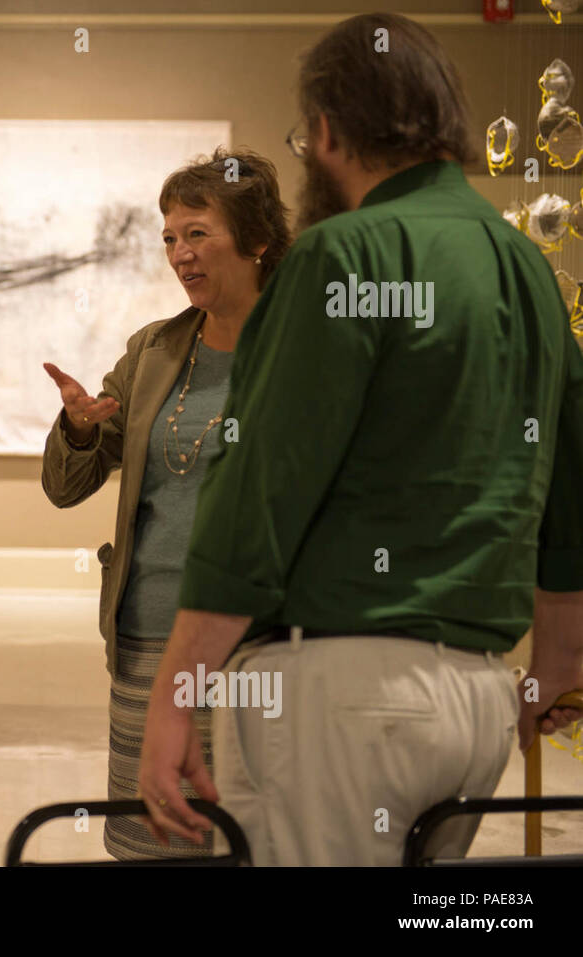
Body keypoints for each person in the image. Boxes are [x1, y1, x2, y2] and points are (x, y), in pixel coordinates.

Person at [136, 13, 583, 866]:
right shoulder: (523, 263)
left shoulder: (344, 251)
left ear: (330, 132)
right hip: (478, 696)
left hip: (342, 693)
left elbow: (262, 484)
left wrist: (177, 692)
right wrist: (559, 655)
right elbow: (568, 475)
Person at [41, 148, 291, 859]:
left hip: (262, 643)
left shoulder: (303, 348)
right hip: (147, 635)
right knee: (155, 842)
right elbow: (64, 487)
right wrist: (80, 426)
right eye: (170, 238)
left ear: (258, 237)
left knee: (256, 838)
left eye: (198, 233)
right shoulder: (153, 351)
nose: (180, 253)